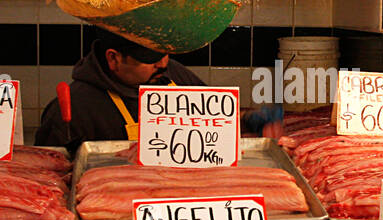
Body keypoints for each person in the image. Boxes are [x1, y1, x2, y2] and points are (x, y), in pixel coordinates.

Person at [35, 27, 281, 149]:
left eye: (165, 54)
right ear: (114, 59)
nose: (163, 64)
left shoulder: (173, 74)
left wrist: (248, 120)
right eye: (149, 58)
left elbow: (212, 122)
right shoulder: (75, 107)